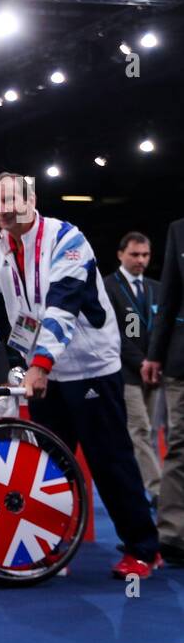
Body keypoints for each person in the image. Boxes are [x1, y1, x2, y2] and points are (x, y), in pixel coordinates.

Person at [0, 173, 160, 579]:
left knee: (110, 461)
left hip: (89, 368)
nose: (3, 209)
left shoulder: (68, 239)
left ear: (32, 199)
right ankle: (51, 546)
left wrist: (40, 364)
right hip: (39, 374)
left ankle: (143, 549)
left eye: (11, 199)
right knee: (46, 467)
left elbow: (64, 307)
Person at [103, 232, 162, 504]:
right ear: (120, 255)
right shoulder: (107, 287)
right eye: (135, 254)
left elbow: (162, 329)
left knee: (148, 432)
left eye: (145, 255)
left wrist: (157, 360)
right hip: (126, 373)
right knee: (138, 430)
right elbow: (115, 334)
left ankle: (137, 489)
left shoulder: (156, 288)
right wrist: (141, 363)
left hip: (155, 372)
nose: (141, 260)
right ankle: (160, 492)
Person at [144, 217, 184, 564]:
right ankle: (172, 535)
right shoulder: (178, 229)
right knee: (179, 445)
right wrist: (155, 354)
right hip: (180, 362)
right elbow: (169, 296)